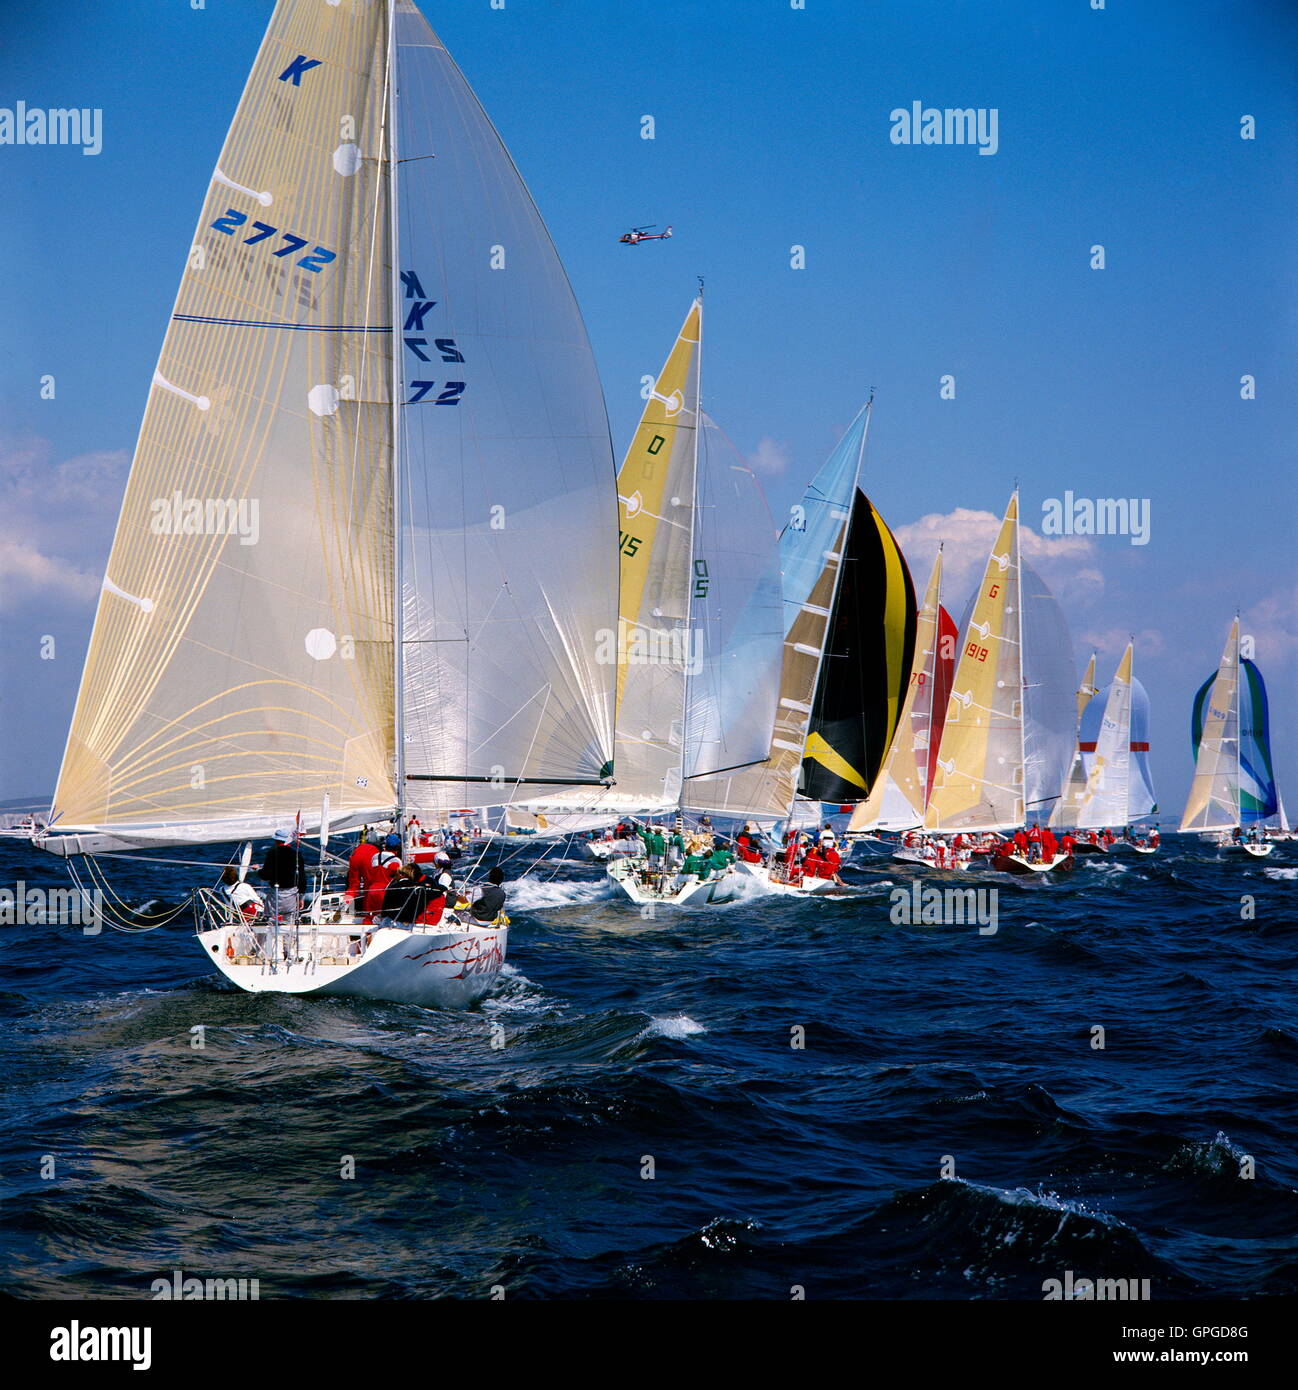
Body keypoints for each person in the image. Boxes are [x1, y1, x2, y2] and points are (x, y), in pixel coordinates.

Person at [257, 828, 307, 921]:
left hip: (275, 894)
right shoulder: (296, 854)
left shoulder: (272, 853)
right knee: (289, 923)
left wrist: (258, 870)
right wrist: (301, 897)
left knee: (268, 921)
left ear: (276, 840)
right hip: (291, 895)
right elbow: (302, 877)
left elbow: (265, 875)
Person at [361, 835, 404, 918]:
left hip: (371, 890)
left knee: (369, 918)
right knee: (385, 919)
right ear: (397, 847)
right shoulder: (396, 860)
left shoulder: (375, 857)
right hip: (385, 891)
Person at [345, 830, 379, 903]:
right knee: (369, 886)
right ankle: (367, 911)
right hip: (368, 858)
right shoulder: (375, 850)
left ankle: (348, 908)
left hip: (356, 856)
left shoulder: (359, 848)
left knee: (352, 886)